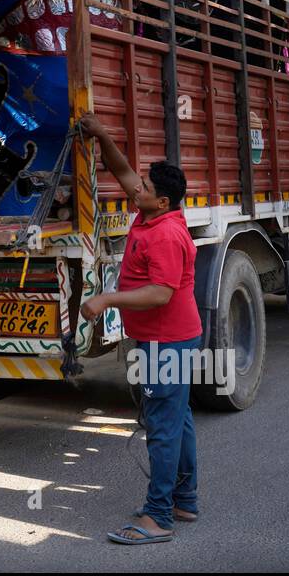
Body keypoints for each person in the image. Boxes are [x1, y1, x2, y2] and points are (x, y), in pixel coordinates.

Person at [78, 113, 201, 546]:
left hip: (167, 342)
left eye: (145, 189)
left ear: (162, 201)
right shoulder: (153, 213)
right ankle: (184, 499)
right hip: (169, 339)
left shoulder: (165, 234)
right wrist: (104, 136)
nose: (137, 189)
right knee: (178, 420)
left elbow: (160, 294)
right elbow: (123, 170)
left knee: (163, 427)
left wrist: (106, 299)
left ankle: (158, 517)